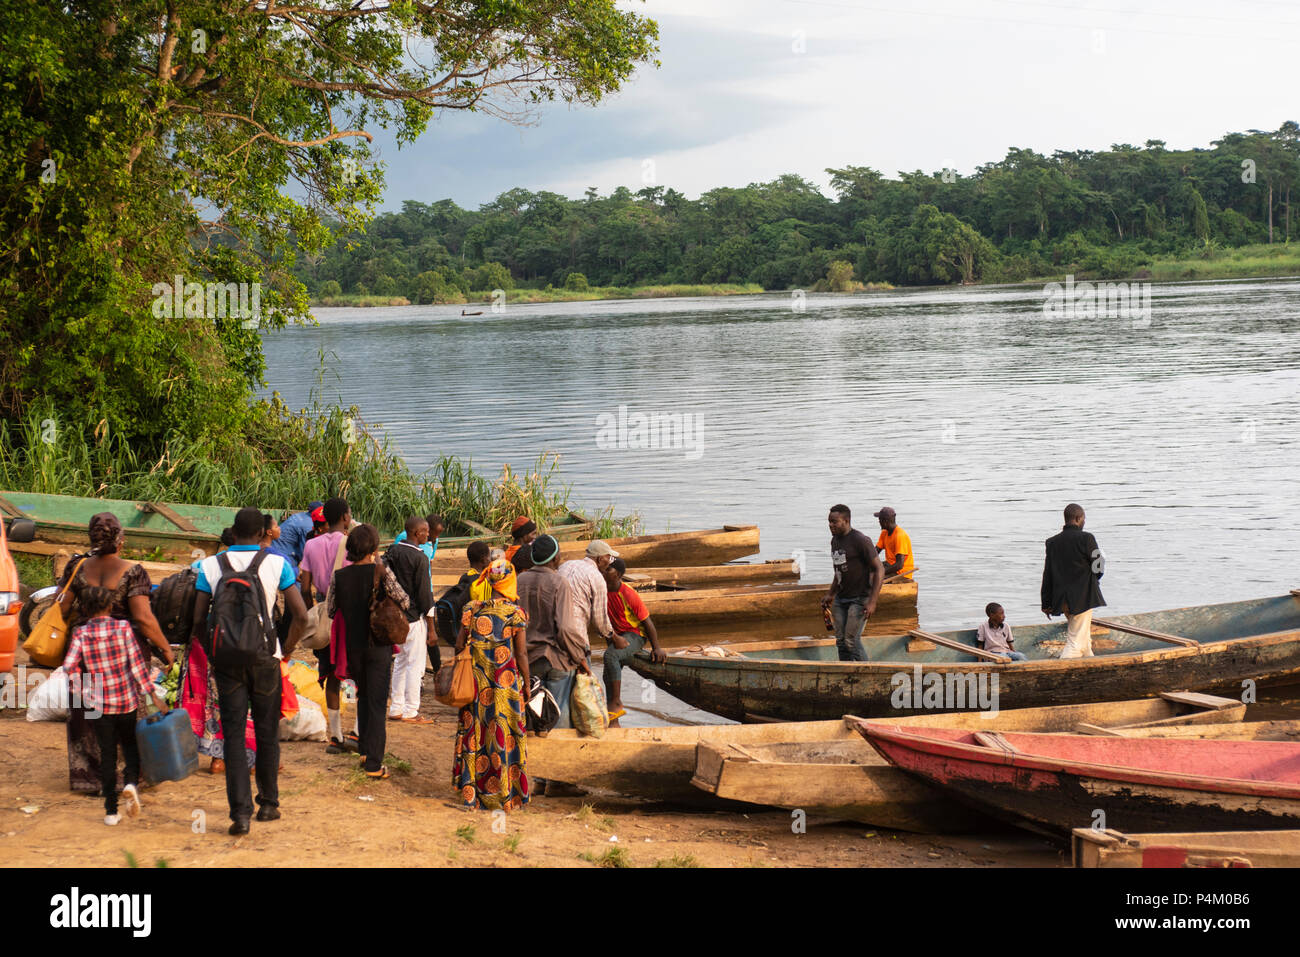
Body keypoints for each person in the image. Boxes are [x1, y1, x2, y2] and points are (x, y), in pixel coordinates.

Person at [190, 506, 309, 835]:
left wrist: (214, 654)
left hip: (227, 661)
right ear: (262, 534)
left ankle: (239, 814)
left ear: (234, 531)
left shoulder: (210, 565)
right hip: (265, 659)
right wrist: (285, 649)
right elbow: (301, 615)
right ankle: (268, 804)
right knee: (267, 731)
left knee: (233, 734)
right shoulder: (277, 563)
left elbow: (198, 619)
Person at [57, 513, 175, 794]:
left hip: (86, 650)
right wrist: (167, 649)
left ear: (91, 538)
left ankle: (92, 777)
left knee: (88, 712)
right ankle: (128, 776)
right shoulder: (133, 571)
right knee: (127, 711)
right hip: (123, 651)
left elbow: (60, 608)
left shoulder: (77, 566)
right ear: (121, 540)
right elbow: (144, 618)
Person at [63, 584, 168, 826]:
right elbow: (136, 666)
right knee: (131, 747)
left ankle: (111, 811)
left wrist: (84, 691)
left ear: (86, 609)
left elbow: (69, 667)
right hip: (126, 700)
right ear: (110, 606)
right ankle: (131, 783)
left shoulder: (81, 633)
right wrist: (153, 695)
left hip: (98, 705)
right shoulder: (123, 628)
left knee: (107, 755)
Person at [327, 523, 409, 779]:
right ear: (373, 548)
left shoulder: (339, 576)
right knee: (376, 704)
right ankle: (374, 764)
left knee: (363, 697)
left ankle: (364, 751)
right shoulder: (381, 571)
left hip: (353, 646)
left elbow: (331, 610)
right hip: (378, 646)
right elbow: (404, 600)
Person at [453, 559, 531, 810]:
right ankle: (505, 796)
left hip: (475, 684)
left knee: (474, 735)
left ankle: (471, 796)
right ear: (510, 581)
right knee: (503, 735)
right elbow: (521, 655)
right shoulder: (515, 614)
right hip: (504, 686)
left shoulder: (472, 608)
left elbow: (457, 645)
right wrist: (527, 683)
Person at [516, 534, 589, 731]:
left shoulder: (520, 580)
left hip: (527, 658)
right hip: (555, 658)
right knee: (558, 711)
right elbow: (565, 629)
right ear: (555, 558)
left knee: (532, 708)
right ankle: (561, 751)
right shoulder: (559, 583)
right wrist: (579, 657)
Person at [299, 496, 353, 753]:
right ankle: (357, 733)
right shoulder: (350, 543)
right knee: (357, 672)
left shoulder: (311, 545)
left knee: (331, 675)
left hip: (323, 611)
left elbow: (304, 587)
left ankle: (336, 735)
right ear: (345, 518)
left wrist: (314, 611)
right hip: (347, 613)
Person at [602, 558, 667, 726]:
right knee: (607, 671)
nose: (604, 571)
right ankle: (614, 721)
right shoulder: (603, 590)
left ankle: (616, 702)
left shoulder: (628, 593)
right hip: (617, 634)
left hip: (635, 635)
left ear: (618, 575)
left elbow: (647, 622)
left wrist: (657, 648)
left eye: (608, 569)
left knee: (610, 656)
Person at [385, 515, 435, 723]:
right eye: (425, 531)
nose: (428, 534)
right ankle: (411, 710)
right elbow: (425, 595)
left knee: (400, 663)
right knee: (415, 665)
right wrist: (431, 627)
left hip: (394, 616)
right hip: (414, 617)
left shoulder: (391, 552)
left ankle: (396, 707)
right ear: (417, 533)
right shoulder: (420, 558)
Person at [1041, 503, 1106, 659]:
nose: (1084, 522)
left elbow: (1047, 574)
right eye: (1084, 519)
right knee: (1075, 643)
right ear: (1078, 518)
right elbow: (1099, 565)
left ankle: (1091, 665)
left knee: (1084, 641)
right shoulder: (1087, 538)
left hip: (1063, 600)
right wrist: (1093, 580)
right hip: (1083, 597)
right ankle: (1060, 673)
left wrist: (1046, 604)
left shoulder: (1052, 542)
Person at [822, 505, 884, 662]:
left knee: (851, 640)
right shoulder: (834, 541)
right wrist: (831, 593)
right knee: (841, 642)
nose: (831, 525)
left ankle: (868, 673)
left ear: (846, 521)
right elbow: (839, 572)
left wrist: (872, 602)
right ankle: (846, 674)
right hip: (841, 598)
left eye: (834, 522)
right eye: (829, 522)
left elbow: (880, 570)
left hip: (859, 598)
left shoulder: (861, 540)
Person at [558, 540, 617, 659]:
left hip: (553, 633)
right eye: (609, 558)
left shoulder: (565, 565)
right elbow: (600, 622)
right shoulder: (596, 577)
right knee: (585, 676)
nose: (609, 563)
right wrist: (614, 637)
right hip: (576, 637)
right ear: (600, 559)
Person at [270, 501, 323, 567]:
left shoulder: (300, 516)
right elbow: (306, 552)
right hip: (284, 557)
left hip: (273, 551)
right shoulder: (309, 525)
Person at [873, 507, 915, 579]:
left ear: (885, 521)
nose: (879, 522)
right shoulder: (884, 533)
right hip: (890, 565)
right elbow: (875, 552)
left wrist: (881, 571)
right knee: (867, 570)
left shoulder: (900, 536)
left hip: (902, 573)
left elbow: (899, 565)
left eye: (880, 520)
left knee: (873, 577)